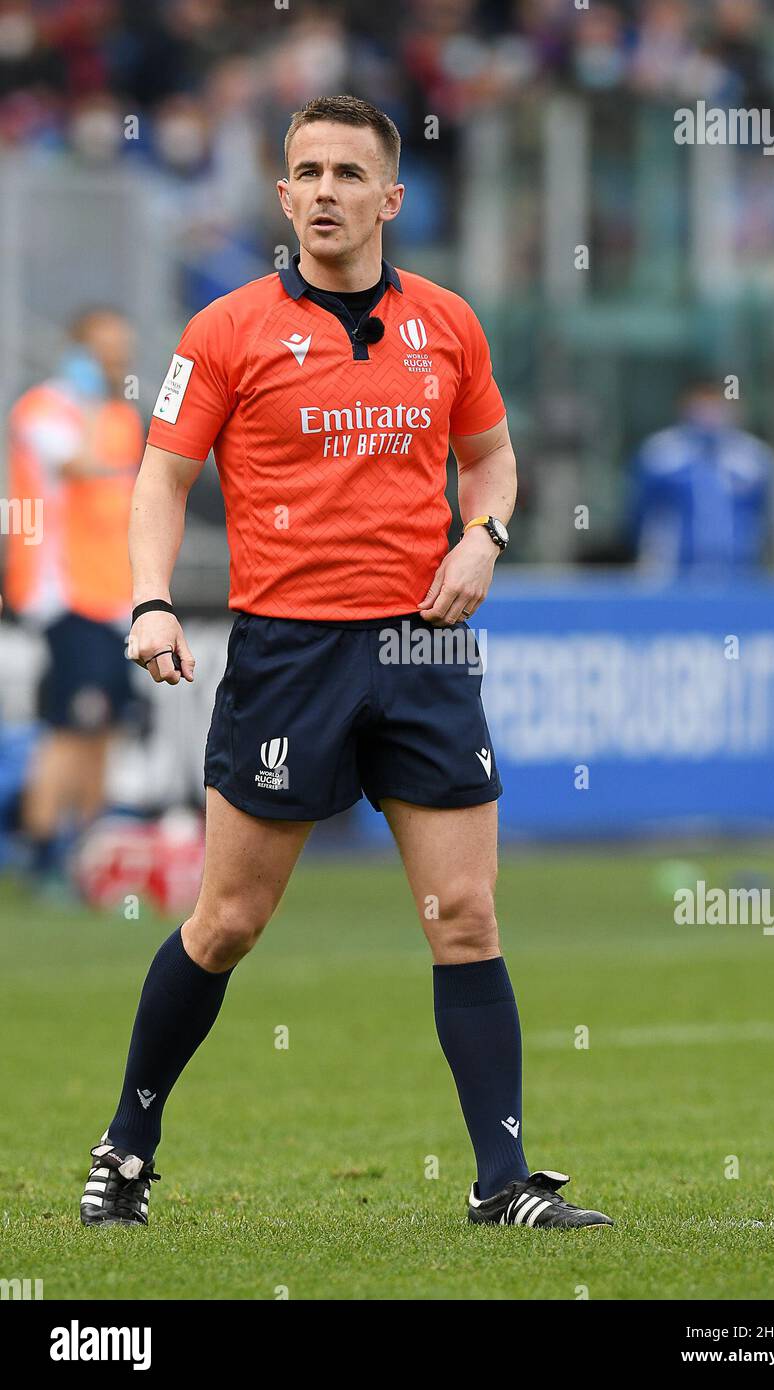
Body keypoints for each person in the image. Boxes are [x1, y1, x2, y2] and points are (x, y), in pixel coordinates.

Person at [79, 95, 612, 1233]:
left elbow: (493, 462)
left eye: (344, 173)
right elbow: (162, 479)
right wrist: (154, 601)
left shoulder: (449, 324)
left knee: (464, 913)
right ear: (282, 195)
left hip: (422, 648)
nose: (322, 190)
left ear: (389, 199)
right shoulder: (224, 331)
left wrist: (484, 536)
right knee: (225, 920)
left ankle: (501, 1180)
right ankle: (125, 1148)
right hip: (287, 652)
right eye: (304, 172)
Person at [4, 308, 142, 892]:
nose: (116, 359)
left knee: (103, 725)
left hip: (115, 595)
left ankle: (90, 848)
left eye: (122, 347)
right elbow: (76, 467)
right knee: (68, 724)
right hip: (64, 591)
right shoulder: (45, 409)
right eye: (105, 348)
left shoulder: (121, 416)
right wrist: (86, 401)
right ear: (79, 351)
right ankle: (41, 853)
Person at [632, 376, 774, 578]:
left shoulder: (753, 456)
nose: (709, 413)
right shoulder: (660, 453)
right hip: (672, 572)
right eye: (702, 405)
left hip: (739, 572)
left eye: (716, 405)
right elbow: (640, 513)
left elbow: (763, 514)